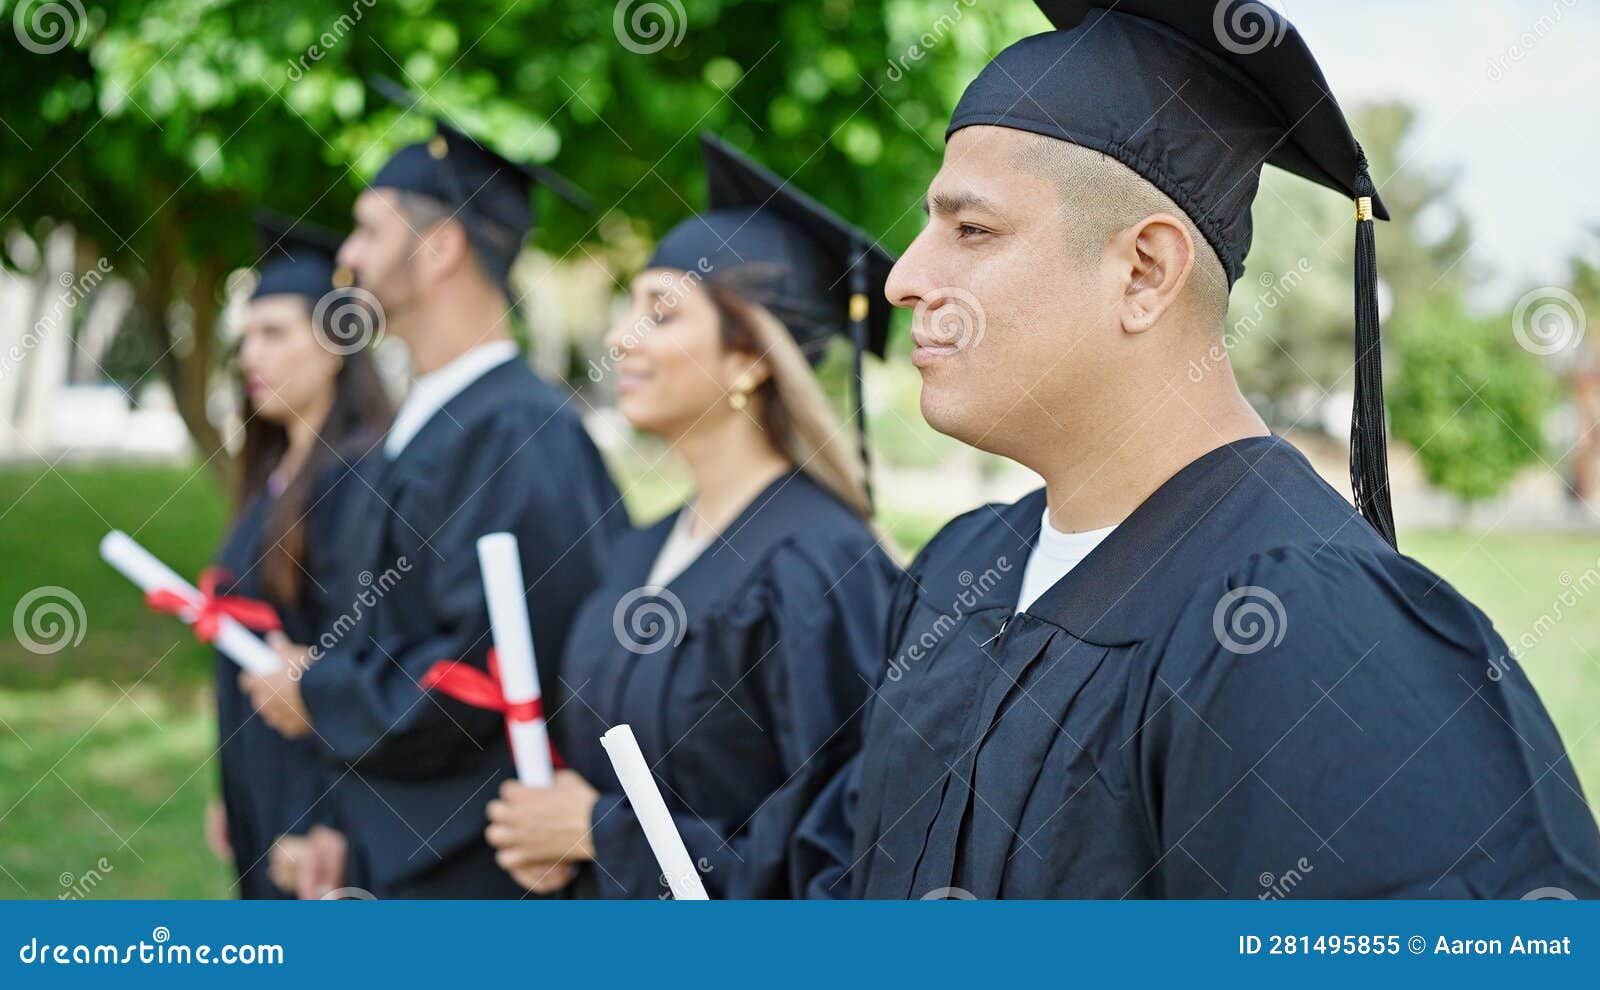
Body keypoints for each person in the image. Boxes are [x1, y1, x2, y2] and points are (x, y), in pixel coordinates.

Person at [821, 1, 1600, 898]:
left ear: (1145, 272)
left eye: (973, 231)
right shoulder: (966, 566)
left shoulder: (1310, 633)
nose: (903, 279)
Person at [481, 134, 901, 899]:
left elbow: (836, 852)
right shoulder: (643, 550)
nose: (619, 337)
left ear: (749, 359)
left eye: (661, 313)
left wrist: (599, 833)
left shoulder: (820, 565)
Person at [243, 87, 626, 898]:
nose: (347, 254)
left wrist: (319, 695)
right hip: (391, 850)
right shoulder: (419, 426)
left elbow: (480, 675)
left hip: (476, 874)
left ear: (441, 246)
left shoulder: (520, 435)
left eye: (371, 229)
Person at [216, 213, 391, 899]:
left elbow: (353, 660)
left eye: (274, 333)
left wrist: (328, 821)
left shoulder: (356, 480)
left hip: (312, 801)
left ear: (337, 341)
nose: (251, 356)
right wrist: (230, 794)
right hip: (260, 780)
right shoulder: (272, 476)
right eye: (247, 336)